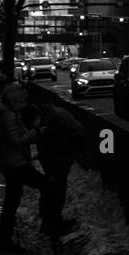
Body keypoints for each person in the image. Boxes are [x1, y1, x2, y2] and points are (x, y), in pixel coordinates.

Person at [0, 83, 51, 253]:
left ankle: (5, 239)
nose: (24, 103)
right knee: (46, 186)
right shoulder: (9, 116)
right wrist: (36, 133)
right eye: (22, 100)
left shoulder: (5, 114)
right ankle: (48, 223)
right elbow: (16, 141)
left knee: (12, 201)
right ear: (15, 99)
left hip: (11, 162)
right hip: (15, 163)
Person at [31, 101, 86, 236]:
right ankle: (51, 221)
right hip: (52, 157)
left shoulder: (58, 116)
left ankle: (53, 222)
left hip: (61, 156)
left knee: (57, 187)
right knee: (53, 187)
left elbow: (78, 132)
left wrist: (74, 151)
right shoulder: (50, 117)